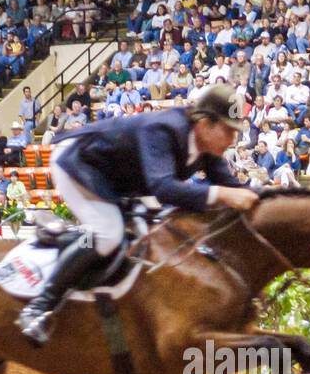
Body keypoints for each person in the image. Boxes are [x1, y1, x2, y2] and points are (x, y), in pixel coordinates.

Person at [17, 84, 259, 345]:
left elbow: (237, 191)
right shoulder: (164, 129)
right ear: (204, 123)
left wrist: (273, 197)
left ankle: (70, 238)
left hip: (114, 178)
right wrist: (221, 195)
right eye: (229, 130)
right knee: (108, 234)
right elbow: (163, 188)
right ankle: (39, 307)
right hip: (78, 162)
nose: (233, 140)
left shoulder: (207, 148)